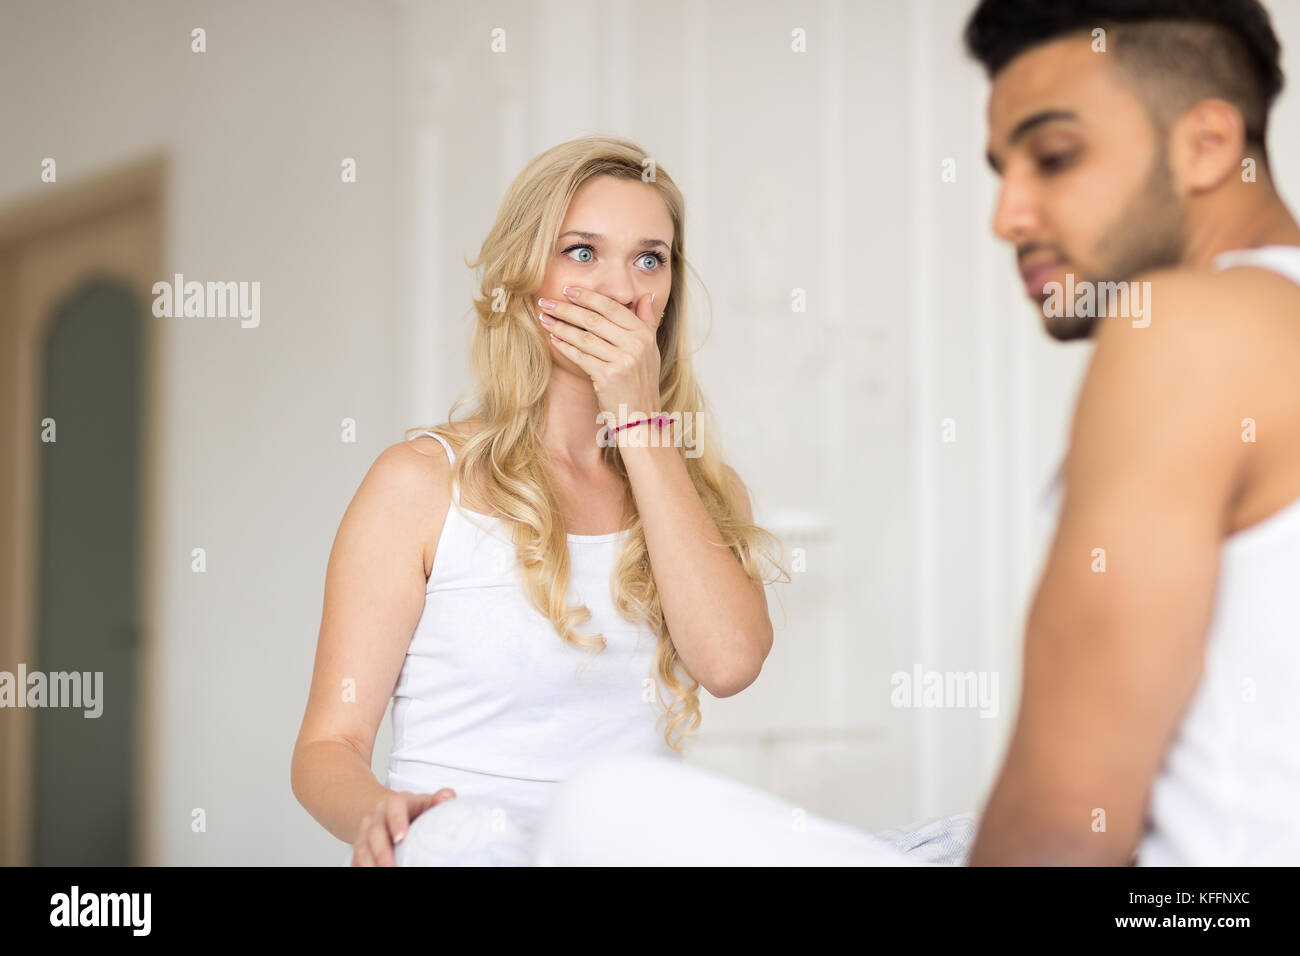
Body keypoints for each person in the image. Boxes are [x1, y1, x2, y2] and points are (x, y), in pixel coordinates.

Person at [533, 0, 1300, 866]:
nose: (1007, 216)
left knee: (605, 807)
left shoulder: (1190, 328)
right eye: (1001, 170)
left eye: (1054, 158)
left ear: (1206, 145)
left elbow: (1060, 824)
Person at [289, 136, 784, 866]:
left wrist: (641, 423)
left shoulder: (701, 488)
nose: (621, 289)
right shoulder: (419, 485)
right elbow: (328, 747)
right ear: (525, 276)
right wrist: (383, 815)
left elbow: (731, 663)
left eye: (650, 258)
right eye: (582, 251)